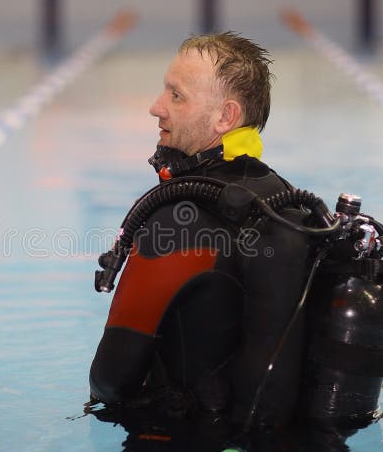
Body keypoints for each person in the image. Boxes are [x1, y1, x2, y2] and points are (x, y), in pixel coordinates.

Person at [89, 32, 315, 429]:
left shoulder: (176, 222)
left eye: (176, 96)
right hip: (282, 451)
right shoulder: (287, 202)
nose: (155, 107)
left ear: (225, 117)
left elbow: (109, 380)